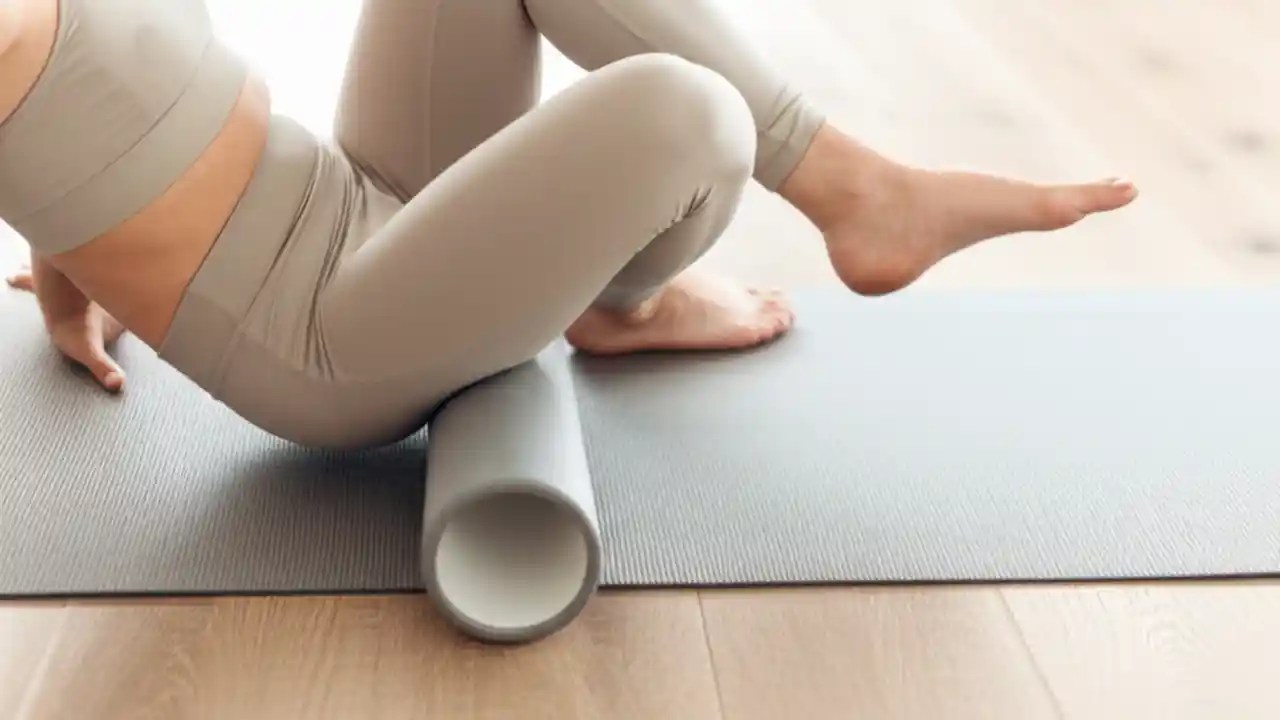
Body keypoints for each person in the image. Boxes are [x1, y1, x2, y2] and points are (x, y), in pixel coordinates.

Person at [0, 0, 1136, 449]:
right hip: (317, 335)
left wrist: (69, 269)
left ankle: (851, 188)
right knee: (685, 114)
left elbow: (71, 99)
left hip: (357, 194)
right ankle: (620, 293)